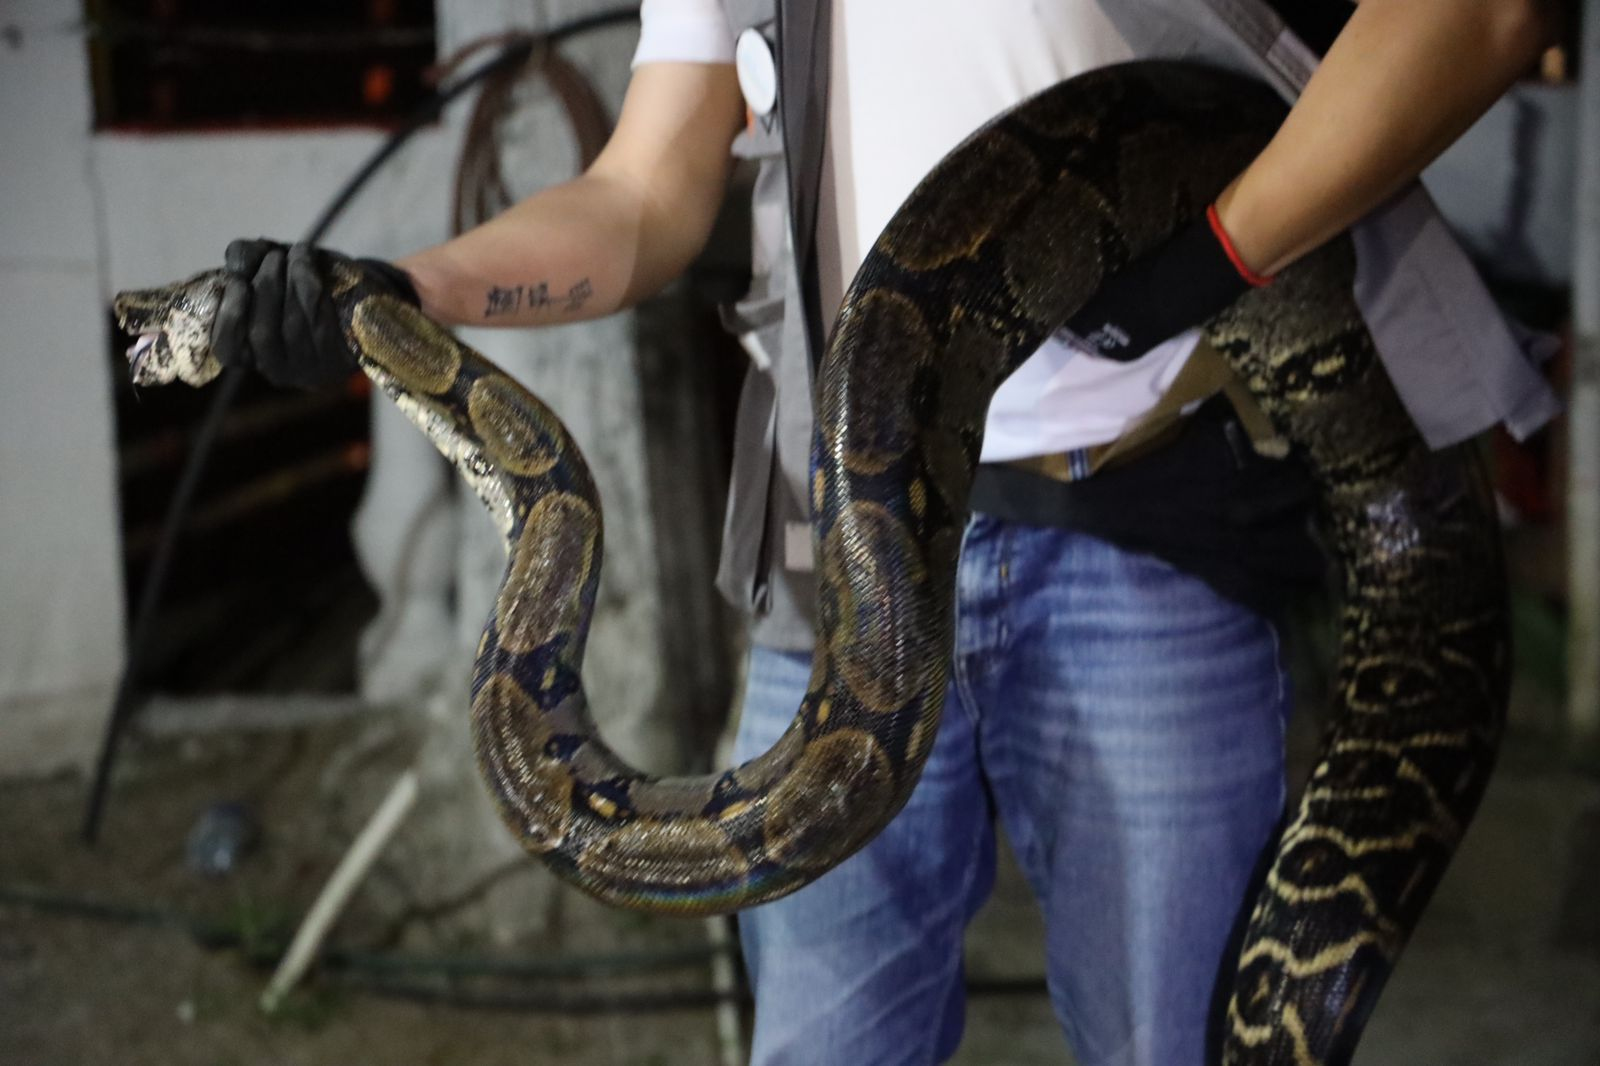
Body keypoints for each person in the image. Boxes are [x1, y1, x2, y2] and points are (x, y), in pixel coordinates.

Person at [212, 1, 1562, 1062]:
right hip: (834, 575)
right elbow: (640, 201)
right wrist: (397, 291)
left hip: (1149, 533)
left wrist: (1220, 249)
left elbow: (1483, 16)